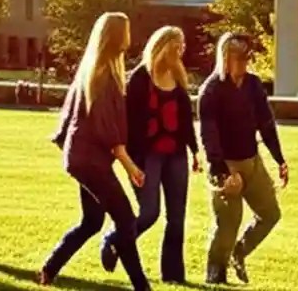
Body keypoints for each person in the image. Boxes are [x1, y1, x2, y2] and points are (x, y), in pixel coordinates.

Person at [41, 12, 151, 291]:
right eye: (126, 30)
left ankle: (49, 269)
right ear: (116, 37)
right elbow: (108, 130)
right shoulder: (103, 75)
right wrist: (131, 166)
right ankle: (142, 287)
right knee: (125, 220)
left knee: (92, 221)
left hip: (82, 159)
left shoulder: (96, 70)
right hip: (90, 162)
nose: (130, 35)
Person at [101, 26, 202, 284]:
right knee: (149, 213)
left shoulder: (179, 77)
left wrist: (194, 151)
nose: (181, 51)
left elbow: (185, 120)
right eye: (177, 46)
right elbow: (128, 122)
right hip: (147, 155)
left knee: (177, 218)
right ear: (164, 46)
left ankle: (173, 276)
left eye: (183, 46)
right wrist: (130, 161)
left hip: (176, 154)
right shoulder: (140, 79)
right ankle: (115, 240)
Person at [199, 33, 288, 285]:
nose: (245, 62)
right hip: (225, 165)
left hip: (252, 161)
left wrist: (279, 159)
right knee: (228, 224)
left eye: (247, 57)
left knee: (270, 214)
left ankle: (240, 252)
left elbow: (266, 123)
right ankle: (215, 273)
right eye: (240, 57)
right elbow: (208, 135)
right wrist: (223, 173)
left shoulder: (253, 85)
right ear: (225, 58)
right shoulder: (211, 90)